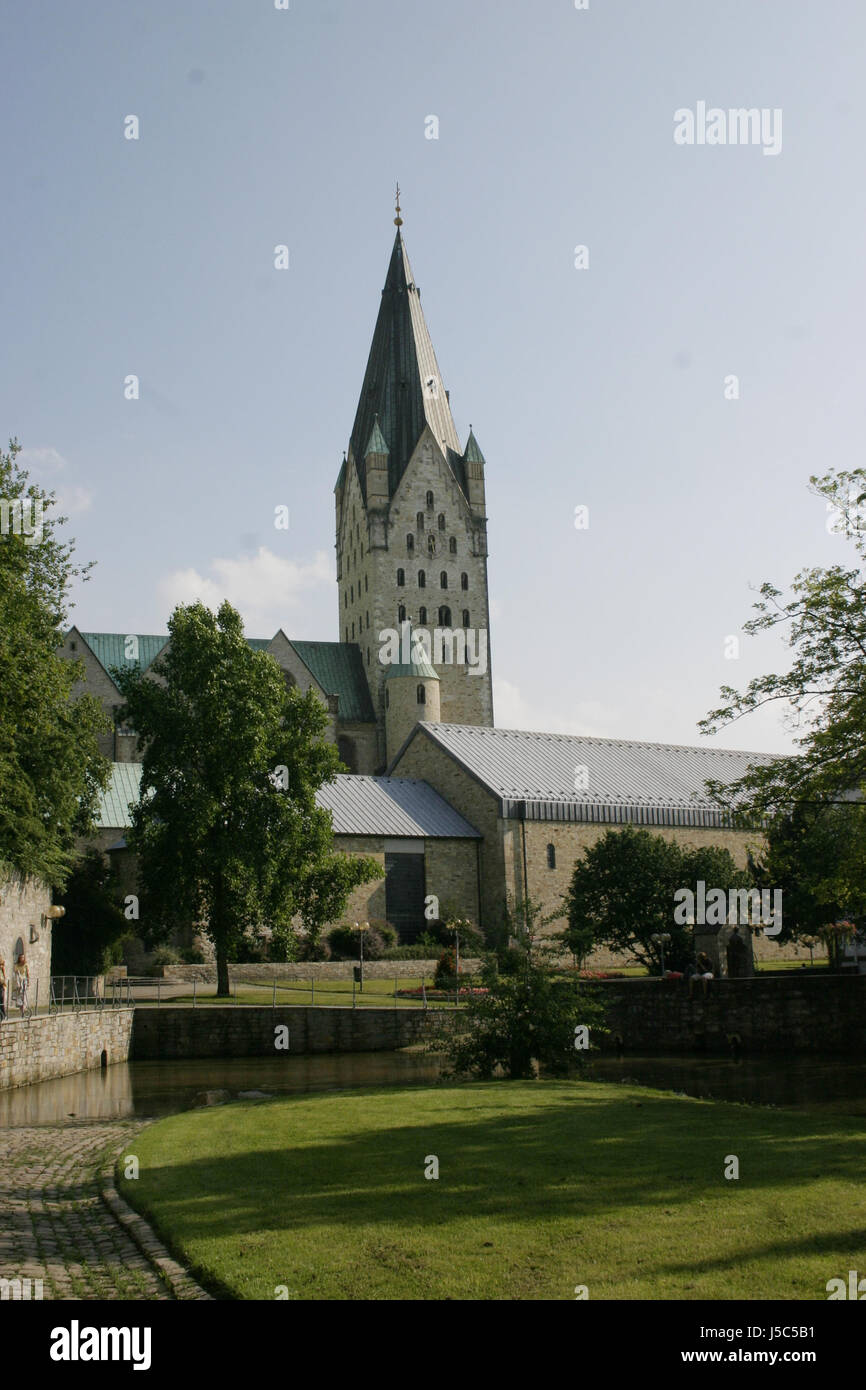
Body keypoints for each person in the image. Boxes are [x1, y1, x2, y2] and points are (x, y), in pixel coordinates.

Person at [0, 956, 7, 1022]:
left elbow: (4, 977)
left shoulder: (2, 968)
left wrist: (4, 982)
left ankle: (3, 1015)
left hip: (1, 985)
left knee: (1, 1000)